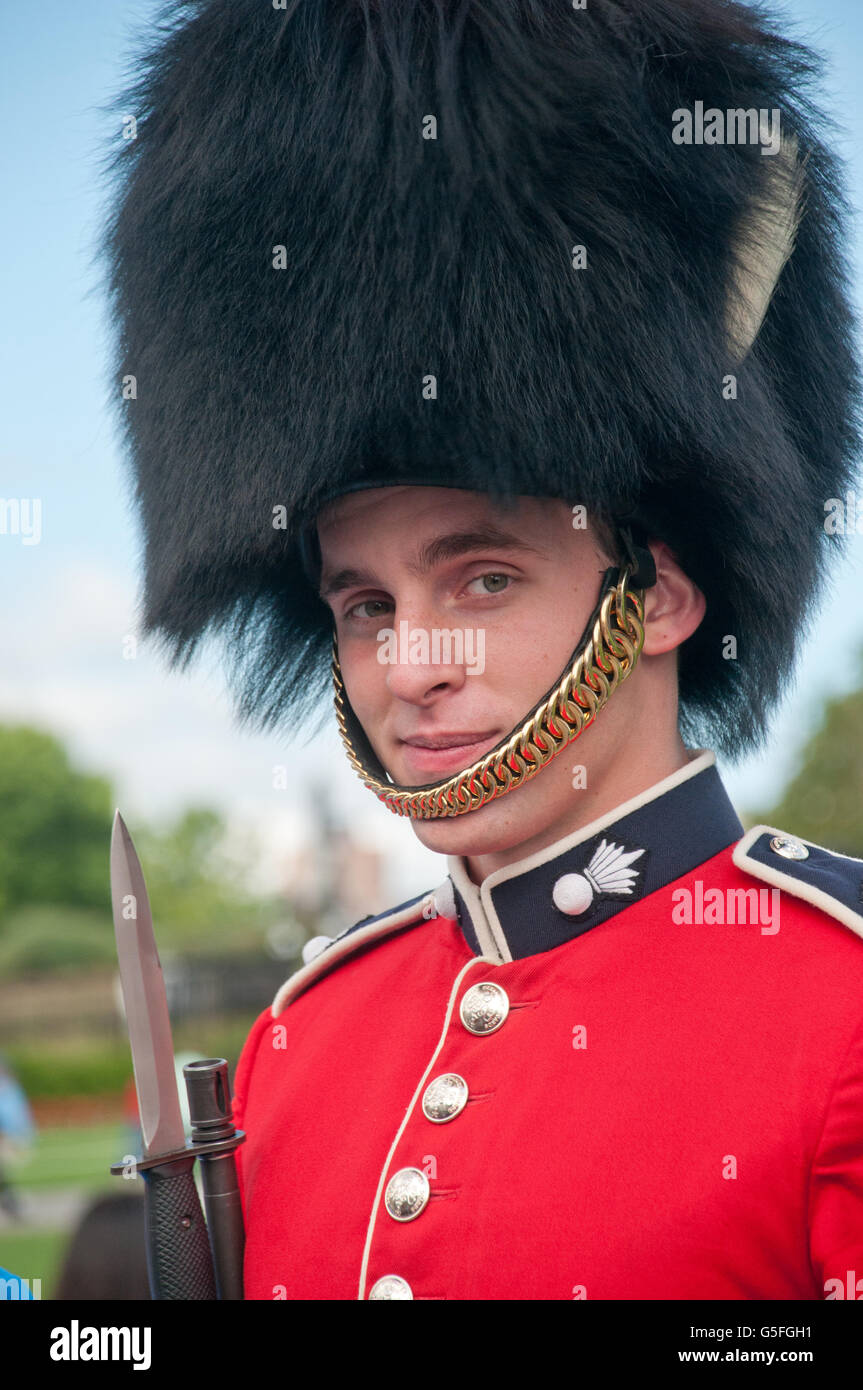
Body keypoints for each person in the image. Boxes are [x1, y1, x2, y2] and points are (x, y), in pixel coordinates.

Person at [103, 0, 863, 1299]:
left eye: (485, 575)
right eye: (363, 604)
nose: (409, 663)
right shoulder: (305, 1035)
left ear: (664, 588)